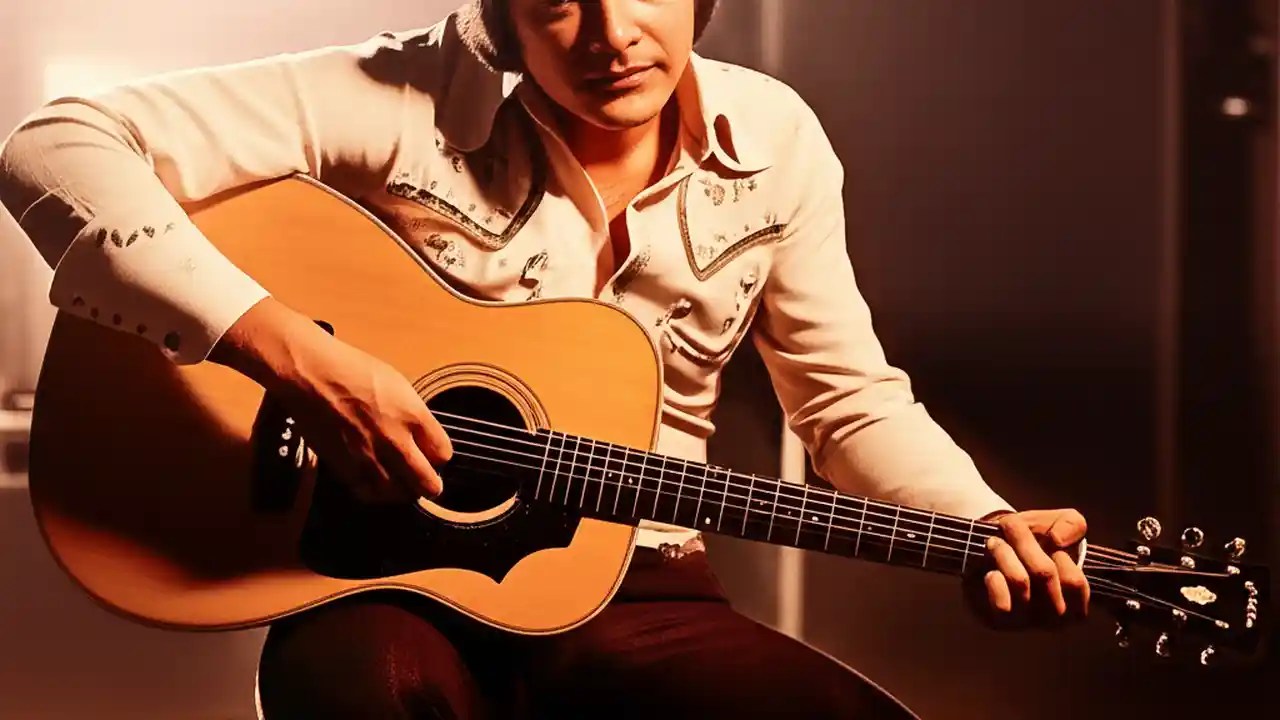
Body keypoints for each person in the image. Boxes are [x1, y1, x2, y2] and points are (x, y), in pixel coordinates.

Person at [0, 1, 1090, 717]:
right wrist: (289, 355)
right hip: (378, 571)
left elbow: (846, 401)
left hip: (641, 579)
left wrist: (982, 522)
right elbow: (51, 147)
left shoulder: (779, 140)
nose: (610, 34)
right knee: (370, 701)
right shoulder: (399, 94)